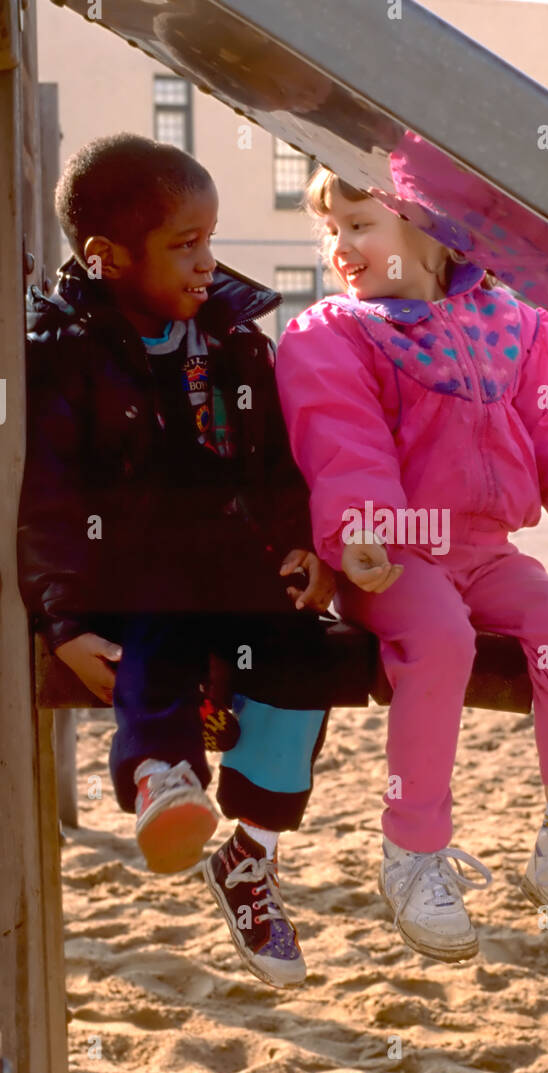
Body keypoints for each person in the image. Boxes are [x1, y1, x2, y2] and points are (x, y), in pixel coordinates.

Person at [275, 168, 548, 964]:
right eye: (330, 231)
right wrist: (361, 531)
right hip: (391, 556)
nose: (340, 248)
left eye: (359, 224)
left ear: (426, 224)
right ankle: (412, 853)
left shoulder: (519, 329)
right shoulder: (335, 334)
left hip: (485, 553)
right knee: (439, 641)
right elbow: (343, 440)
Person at [17, 134, 335, 989]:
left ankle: (250, 852)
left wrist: (305, 542)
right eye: (183, 244)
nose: (206, 262)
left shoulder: (232, 340)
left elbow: (275, 462)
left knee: (310, 645)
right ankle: (165, 773)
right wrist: (64, 620)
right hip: (124, 567)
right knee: (160, 611)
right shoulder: (64, 354)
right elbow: (45, 498)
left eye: (211, 238)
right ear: (106, 257)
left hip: (229, 554)